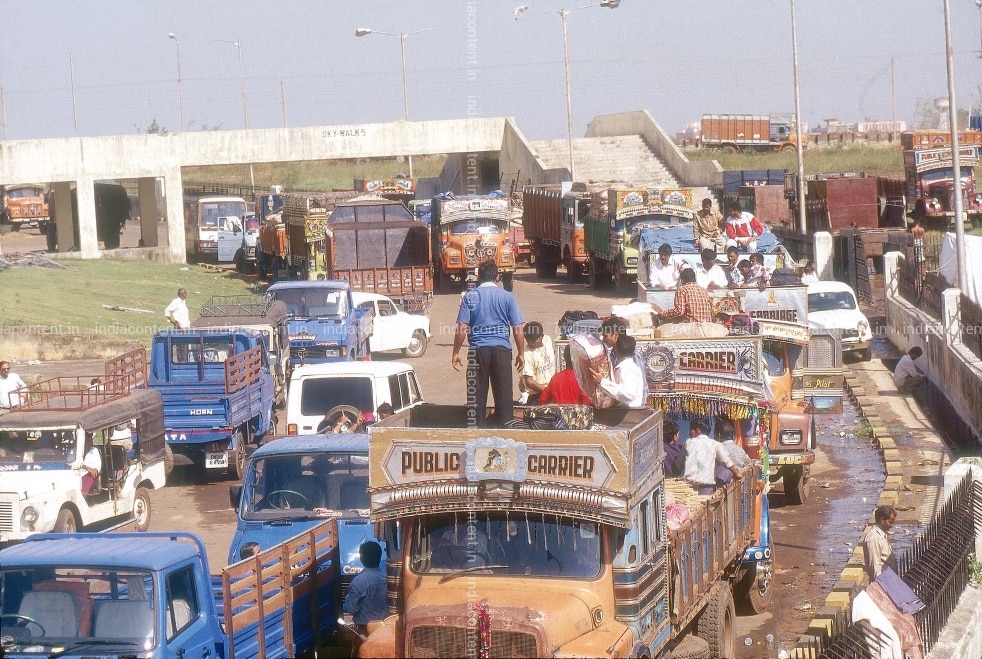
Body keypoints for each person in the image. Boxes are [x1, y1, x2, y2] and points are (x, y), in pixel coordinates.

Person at [452, 260, 525, 428]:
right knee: (505, 400)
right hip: (502, 351)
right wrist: (521, 353)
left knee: (475, 401)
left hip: (477, 352)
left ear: (478, 277)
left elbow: (462, 327)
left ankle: (475, 440)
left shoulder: (470, 297)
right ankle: (506, 440)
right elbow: (517, 328)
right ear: (497, 277)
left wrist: (455, 352)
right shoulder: (507, 296)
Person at [682, 418, 741, 495]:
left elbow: (678, 464)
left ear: (697, 431)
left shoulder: (688, 442)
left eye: (690, 430)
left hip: (688, 487)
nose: (689, 432)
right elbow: (726, 461)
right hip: (706, 487)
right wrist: (737, 473)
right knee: (705, 505)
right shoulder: (715, 444)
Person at [344, 541, 388, 635]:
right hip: (386, 630)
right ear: (380, 557)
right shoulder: (388, 579)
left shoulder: (358, 581)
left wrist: (347, 596)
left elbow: (351, 609)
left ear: (362, 558)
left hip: (365, 631)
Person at [591, 334, 645, 408]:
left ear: (616, 351)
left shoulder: (626, 368)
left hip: (628, 412)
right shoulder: (631, 367)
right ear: (634, 351)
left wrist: (602, 381)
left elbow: (629, 394)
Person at [519, 322, 555, 405]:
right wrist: (548, 392)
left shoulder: (547, 340)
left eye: (533, 340)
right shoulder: (527, 354)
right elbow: (530, 381)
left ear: (541, 336)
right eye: (528, 340)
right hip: (536, 397)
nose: (531, 343)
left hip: (552, 391)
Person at [861, 505, 898, 582]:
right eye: (890, 522)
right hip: (883, 583)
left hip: (889, 581)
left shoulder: (881, 536)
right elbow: (875, 567)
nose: (891, 525)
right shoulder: (873, 538)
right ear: (882, 520)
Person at [713, 418, 751, 485]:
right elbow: (748, 463)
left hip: (721, 487)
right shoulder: (741, 450)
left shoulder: (717, 449)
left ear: (719, 435)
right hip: (737, 486)